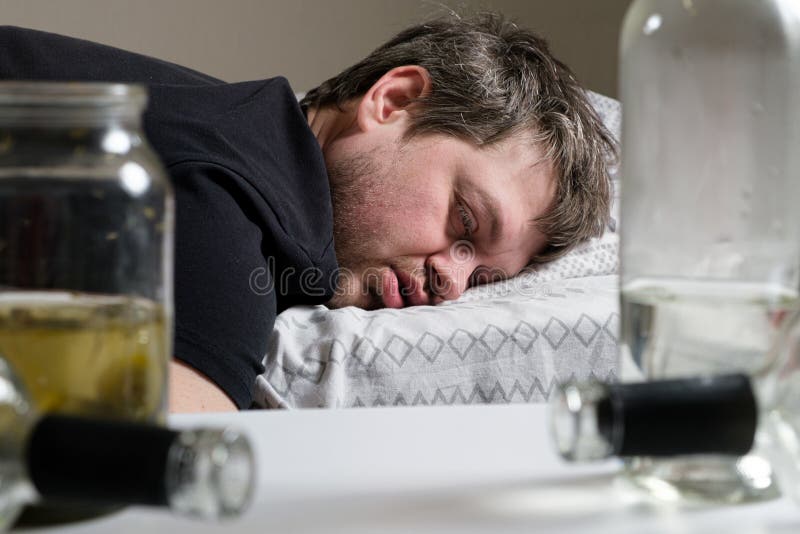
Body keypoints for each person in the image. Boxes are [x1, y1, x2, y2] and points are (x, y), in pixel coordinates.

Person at [0, 13, 616, 412]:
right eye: (464, 222)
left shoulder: (227, 118)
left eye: (484, 277)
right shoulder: (239, 203)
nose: (451, 283)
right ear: (393, 100)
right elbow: (153, 477)